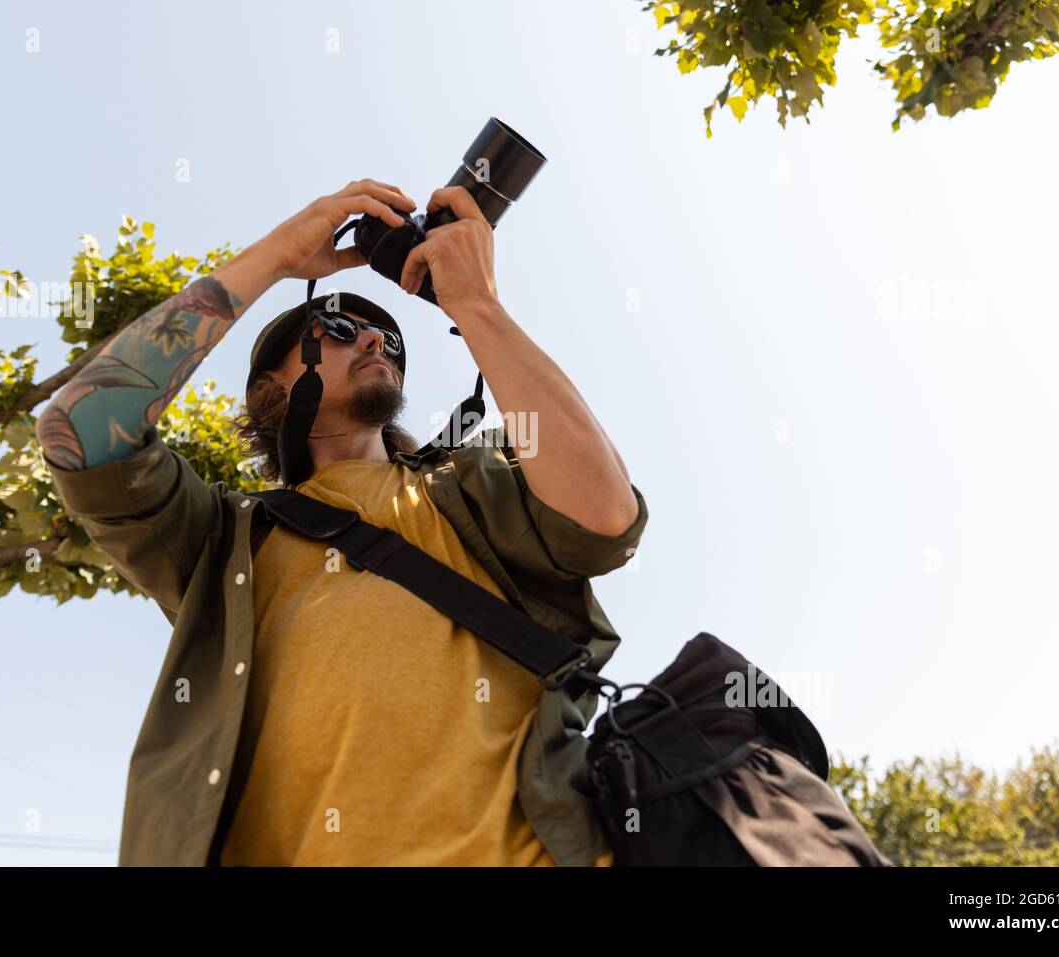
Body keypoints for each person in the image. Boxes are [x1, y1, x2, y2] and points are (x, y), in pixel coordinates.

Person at [36, 179, 648, 866]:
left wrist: (475, 303)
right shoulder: (222, 536)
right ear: (272, 390)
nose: (374, 341)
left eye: (386, 335)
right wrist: (275, 258)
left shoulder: (476, 486)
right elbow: (77, 431)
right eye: (334, 329)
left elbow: (606, 515)